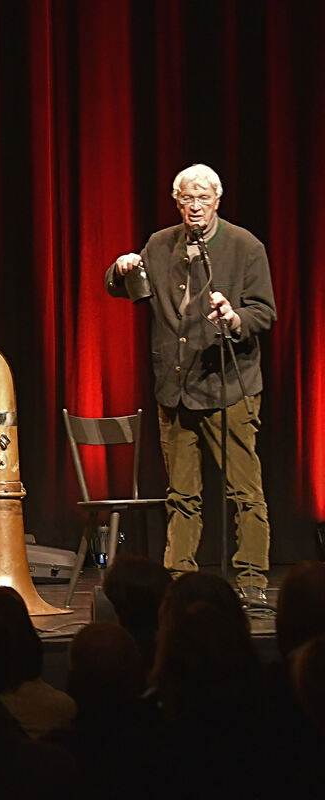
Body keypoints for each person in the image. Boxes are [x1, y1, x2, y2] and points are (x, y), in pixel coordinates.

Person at [107, 164, 276, 600]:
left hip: (228, 388)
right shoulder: (160, 244)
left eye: (203, 198)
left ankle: (252, 581)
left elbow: (264, 312)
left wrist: (234, 318)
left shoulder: (245, 246)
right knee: (182, 495)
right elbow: (124, 288)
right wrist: (121, 268)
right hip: (176, 389)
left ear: (217, 201)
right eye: (187, 198)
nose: (195, 206)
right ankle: (179, 580)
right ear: (176, 201)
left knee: (245, 494)